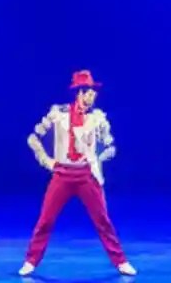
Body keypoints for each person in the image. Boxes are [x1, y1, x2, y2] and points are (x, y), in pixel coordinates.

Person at [19, 70, 137, 277]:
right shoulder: (59, 113)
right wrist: (47, 161)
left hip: (86, 175)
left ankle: (120, 261)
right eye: (89, 92)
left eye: (94, 92)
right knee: (46, 219)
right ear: (79, 93)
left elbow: (111, 147)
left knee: (102, 220)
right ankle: (31, 260)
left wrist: (96, 158)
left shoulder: (97, 118)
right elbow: (33, 138)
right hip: (62, 174)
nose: (92, 96)